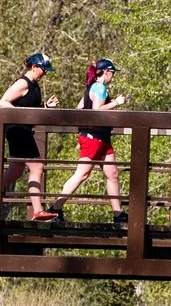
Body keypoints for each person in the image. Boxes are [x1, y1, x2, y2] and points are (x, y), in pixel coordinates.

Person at [0, 53, 57, 221]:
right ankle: (38, 210)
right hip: (17, 129)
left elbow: (29, 109)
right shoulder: (22, 83)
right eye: (43, 69)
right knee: (37, 167)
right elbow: (3, 102)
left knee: (16, 171)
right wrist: (19, 116)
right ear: (34, 67)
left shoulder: (34, 85)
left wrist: (46, 106)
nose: (45, 73)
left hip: (22, 129)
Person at [51, 58, 127, 220]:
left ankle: (118, 213)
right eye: (112, 73)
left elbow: (79, 108)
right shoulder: (100, 88)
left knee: (112, 173)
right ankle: (56, 208)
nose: (113, 77)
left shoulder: (90, 88)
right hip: (94, 138)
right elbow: (97, 110)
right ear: (106, 72)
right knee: (82, 174)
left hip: (101, 137)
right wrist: (116, 103)